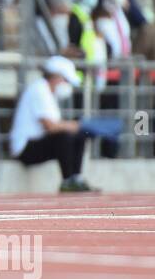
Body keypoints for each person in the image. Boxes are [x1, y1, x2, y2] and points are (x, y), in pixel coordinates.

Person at [10, 55, 97, 192]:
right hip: (24, 148)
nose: (67, 85)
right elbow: (49, 126)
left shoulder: (48, 93)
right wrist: (75, 125)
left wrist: (77, 127)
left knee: (79, 135)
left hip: (37, 142)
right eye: (66, 80)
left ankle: (76, 178)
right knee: (66, 136)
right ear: (56, 77)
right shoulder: (39, 90)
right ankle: (67, 181)